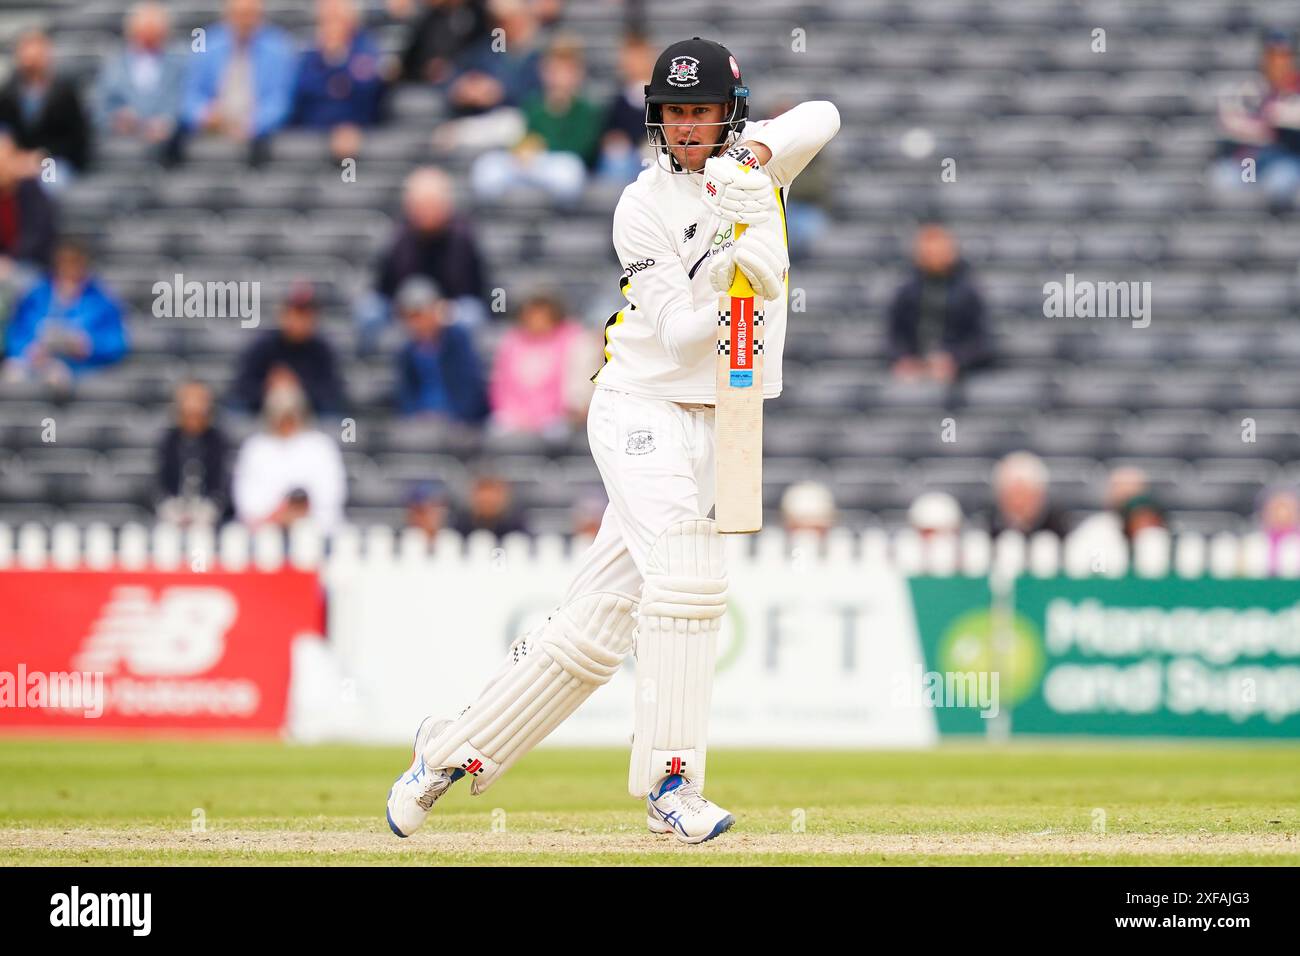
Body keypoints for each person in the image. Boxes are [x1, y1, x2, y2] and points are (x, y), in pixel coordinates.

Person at [386, 37, 839, 845]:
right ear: (656, 120)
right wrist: (747, 263)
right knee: (688, 577)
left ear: (730, 113)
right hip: (640, 405)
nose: (689, 128)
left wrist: (757, 160)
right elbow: (679, 334)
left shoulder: (756, 163)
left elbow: (825, 114)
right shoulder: (641, 205)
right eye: (674, 113)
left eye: (702, 112)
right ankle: (673, 782)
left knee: (593, 630)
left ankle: (446, 754)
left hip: (723, 416)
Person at [358, 166, 489, 351]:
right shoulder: (397, 237)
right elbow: (382, 287)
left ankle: (456, 370)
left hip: (449, 310)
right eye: (420, 204)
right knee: (368, 311)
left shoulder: (464, 238)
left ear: (446, 205)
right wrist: (406, 309)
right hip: (404, 309)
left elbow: (478, 291)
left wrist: (440, 311)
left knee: (471, 316)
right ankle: (372, 368)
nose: (425, 211)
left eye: (431, 204)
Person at [469, 36, 602, 205]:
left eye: (565, 70)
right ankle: (497, 215)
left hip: (557, 166)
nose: (559, 77)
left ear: (577, 74)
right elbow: (521, 138)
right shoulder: (533, 104)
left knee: (569, 171)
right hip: (530, 165)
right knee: (487, 167)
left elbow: (583, 150)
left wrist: (542, 148)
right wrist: (523, 150)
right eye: (554, 70)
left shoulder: (586, 109)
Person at [179, 0, 298, 166]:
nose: (244, 21)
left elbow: (280, 101)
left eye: (250, 15)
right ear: (227, 17)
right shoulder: (208, 45)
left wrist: (253, 125)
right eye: (239, 15)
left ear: (260, 18)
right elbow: (190, 95)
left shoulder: (278, 48)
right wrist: (204, 115)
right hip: (213, 129)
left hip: (258, 135)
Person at [3, 241, 128, 386]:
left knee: (58, 378)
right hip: (35, 363)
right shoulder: (36, 295)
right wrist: (30, 350)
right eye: (64, 263)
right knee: (13, 374)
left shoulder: (102, 300)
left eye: (74, 263)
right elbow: (18, 333)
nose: (69, 269)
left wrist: (87, 346)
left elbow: (116, 343)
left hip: (83, 369)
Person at [231, 378, 346, 532]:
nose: (285, 421)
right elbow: (245, 500)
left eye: (290, 415)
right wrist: (278, 515)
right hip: (264, 535)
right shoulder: (255, 447)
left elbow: (332, 495)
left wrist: (301, 514)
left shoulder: (321, 446)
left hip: (315, 534)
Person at [888, 224, 991, 384]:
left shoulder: (968, 292)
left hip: (957, 373)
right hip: (914, 368)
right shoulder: (906, 292)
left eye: (939, 251)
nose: (934, 257)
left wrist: (955, 361)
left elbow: (980, 341)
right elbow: (894, 334)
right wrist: (904, 358)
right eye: (928, 252)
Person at [229, 282, 347, 417]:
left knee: (332, 411)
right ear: (283, 314)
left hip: (310, 415)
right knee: (237, 407)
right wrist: (270, 387)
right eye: (294, 313)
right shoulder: (263, 345)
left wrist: (298, 387)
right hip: (263, 412)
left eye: (305, 314)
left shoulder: (322, 349)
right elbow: (242, 386)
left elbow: (333, 390)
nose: (298, 321)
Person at [1213, 30, 1300, 211]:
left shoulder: (1295, 87)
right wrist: (1269, 122)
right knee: (1232, 182)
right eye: (1273, 56)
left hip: (1284, 157)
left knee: (1279, 184)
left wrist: (1270, 118)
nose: (1278, 63)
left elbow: (1288, 118)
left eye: (1283, 57)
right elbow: (1233, 123)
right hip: (1251, 158)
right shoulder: (1252, 86)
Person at [291, 0, 386, 162]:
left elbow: (367, 93)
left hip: (358, 130)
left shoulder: (367, 52)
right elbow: (305, 91)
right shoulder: (310, 56)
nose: (332, 25)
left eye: (337, 18)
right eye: (327, 19)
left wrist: (339, 62)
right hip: (315, 130)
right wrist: (329, 62)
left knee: (349, 171)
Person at [488, 291, 594, 436]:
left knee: (556, 432)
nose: (538, 320)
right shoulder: (511, 341)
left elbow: (571, 385)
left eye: (542, 314)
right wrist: (518, 414)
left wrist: (544, 415)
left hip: (556, 417)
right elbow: (501, 386)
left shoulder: (571, 338)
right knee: (498, 429)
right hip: (516, 415)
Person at [93, 2, 189, 157]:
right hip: (123, 145)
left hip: (169, 146)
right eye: (143, 33)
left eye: (153, 33)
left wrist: (168, 123)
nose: (147, 39)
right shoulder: (113, 66)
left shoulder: (180, 64)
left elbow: (185, 101)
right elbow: (100, 108)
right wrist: (117, 120)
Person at [393, 276, 488, 422]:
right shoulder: (407, 350)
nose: (415, 323)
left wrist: (455, 417)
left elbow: (470, 388)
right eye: (410, 317)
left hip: (457, 420)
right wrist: (415, 417)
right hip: (422, 421)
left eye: (419, 315)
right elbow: (407, 394)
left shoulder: (458, 340)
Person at [0, 29, 93, 179]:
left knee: (48, 184)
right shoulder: (8, 93)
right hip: (18, 160)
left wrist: (43, 155)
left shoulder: (65, 93)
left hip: (55, 160)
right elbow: (5, 132)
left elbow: (76, 139)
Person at [156, 380, 230, 527]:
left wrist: (207, 511)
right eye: (188, 399)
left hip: (208, 518)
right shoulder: (169, 441)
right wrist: (172, 510)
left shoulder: (217, 441)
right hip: (173, 516)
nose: (193, 406)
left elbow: (221, 485)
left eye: (199, 400)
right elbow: (160, 484)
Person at [0, 130, 57, 315]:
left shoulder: (31, 191)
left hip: (28, 264)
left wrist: (11, 260)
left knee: (22, 285)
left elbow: (37, 235)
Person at [595, 33, 655, 185]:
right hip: (626, 156)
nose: (634, 63)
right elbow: (609, 130)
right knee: (617, 161)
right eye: (629, 58)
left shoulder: (661, 97)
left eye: (638, 57)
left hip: (651, 150)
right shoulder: (620, 100)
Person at [399, 0, 490, 85]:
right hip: (429, 85)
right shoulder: (428, 18)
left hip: (471, 79)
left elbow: (485, 55)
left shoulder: (480, 15)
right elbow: (413, 61)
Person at [988, 451, 1069, 537]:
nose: (1018, 503)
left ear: (1040, 496)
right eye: (1011, 497)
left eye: (1025, 497)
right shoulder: (986, 530)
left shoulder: (1060, 531)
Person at [452, 472, 526, 536]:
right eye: (482, 495)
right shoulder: (462, 525)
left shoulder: (514, 526)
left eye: (491, 495)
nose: (487, 499)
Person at [1258, 486, 1300, 575]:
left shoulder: (1297, 542)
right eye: (1276, 510)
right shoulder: (1257, 543)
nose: (1281, 515)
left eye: (1286, 510)